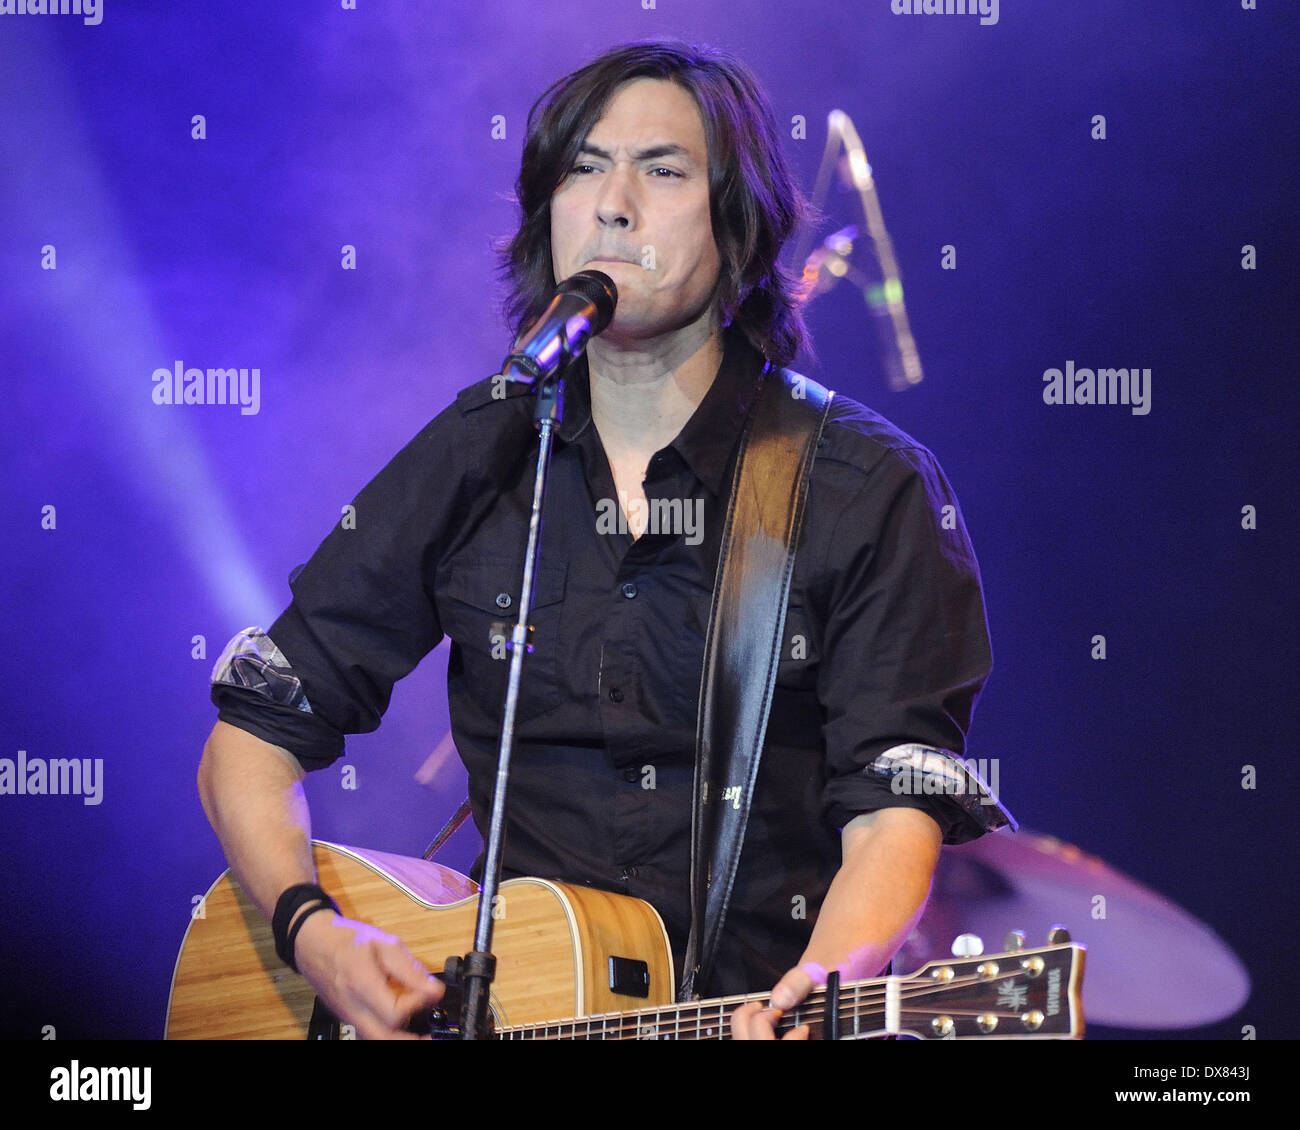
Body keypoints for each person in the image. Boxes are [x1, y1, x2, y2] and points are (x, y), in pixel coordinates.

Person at [198, 40, 1009, 1041]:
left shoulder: (860, 486)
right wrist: (314, 933)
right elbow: (253, 734)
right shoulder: (484, 444)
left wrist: (821, 979)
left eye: (661, 170)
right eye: (583, 167)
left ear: (739, 222)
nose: (612, 202)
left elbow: (892, 804)